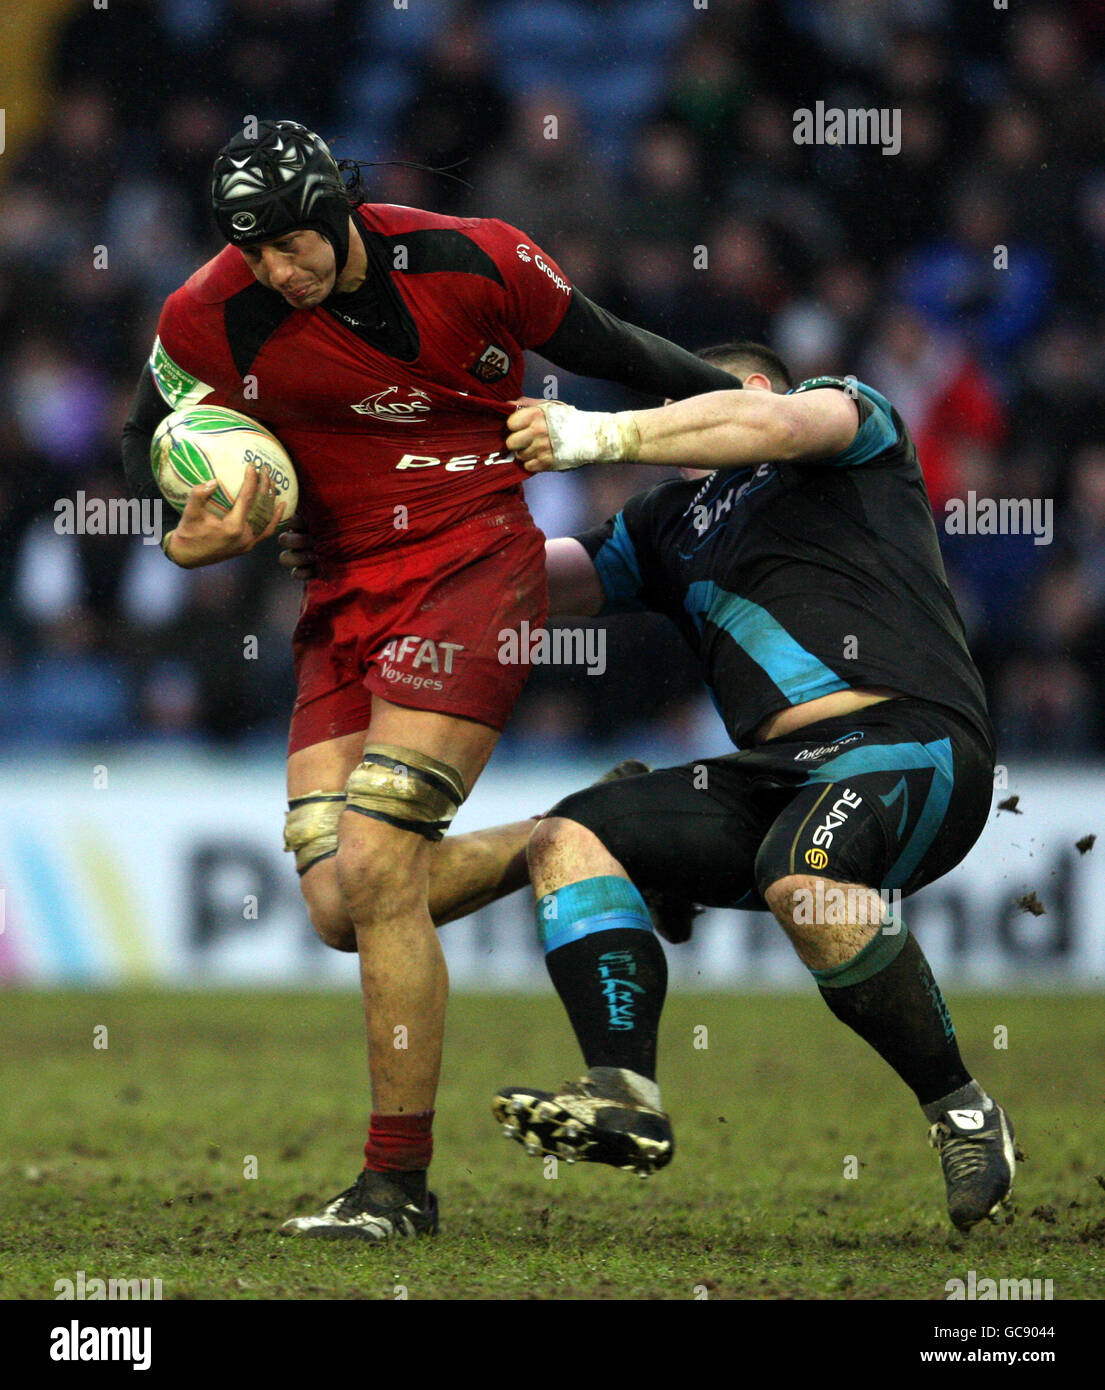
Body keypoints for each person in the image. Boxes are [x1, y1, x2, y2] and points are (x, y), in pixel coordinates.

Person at [120, 119, 742, 1243]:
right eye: (249, 252)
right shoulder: (203, 314)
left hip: (471, 561)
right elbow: (143, 436)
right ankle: (591, 831)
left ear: (335, 209)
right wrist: (186, 533)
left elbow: (620, 351)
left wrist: (756, 431)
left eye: (290, 245)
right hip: (339, 591)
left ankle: (395, 1186)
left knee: (373, 860)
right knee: (335, 905)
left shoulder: (477, 260)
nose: (273, 271)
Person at [479, 341, 1017, 1232]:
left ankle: (962, 1112)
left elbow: (766, 425)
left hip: (908, 737)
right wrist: (376, 563)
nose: (676, 426)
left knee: (803, 874)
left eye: (695, 401)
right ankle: (622, 1094)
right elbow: (531, 585)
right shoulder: (661, 524)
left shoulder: (849, 427)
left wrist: (592, 434)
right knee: (569, 835)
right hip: (773, 775)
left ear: (761, 388)